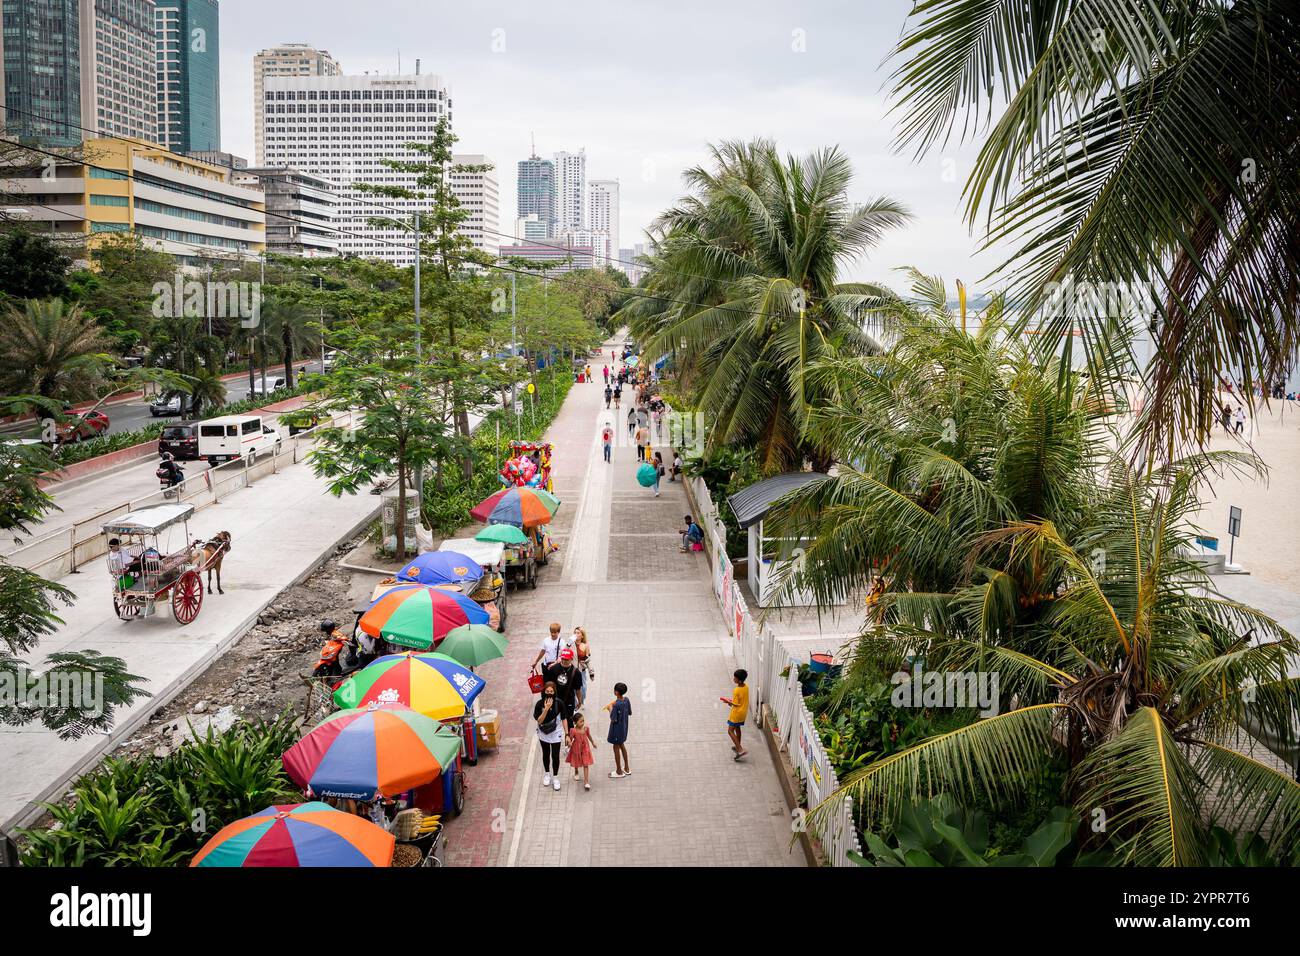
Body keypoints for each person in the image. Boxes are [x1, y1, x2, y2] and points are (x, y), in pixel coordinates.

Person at [534, 681, 572, 792]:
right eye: (547, 691)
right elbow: (539, 720)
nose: (549, 693)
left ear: (554, 692)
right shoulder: (539, 704)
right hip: (543, 732)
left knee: (555, 755)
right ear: (544, 692)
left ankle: (555, 777)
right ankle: (547, 774)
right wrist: (546, 709)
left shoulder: (559, 703)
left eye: (551, 691)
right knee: (546, 754)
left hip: (556, 732)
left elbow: (564, 718)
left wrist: (567, 734)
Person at [542, 647, 582, 716]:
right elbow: (547, 686)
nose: (564, 661)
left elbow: (578, 689)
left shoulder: (576, 672)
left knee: (568, 720)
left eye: (566, 659)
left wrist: (579, 700)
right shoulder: (553, 669)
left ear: (571, 659)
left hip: (569, 700)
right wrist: (545, 699)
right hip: (554, 700)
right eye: (563, 658)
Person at [605, 682, 632, 778]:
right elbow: (629, 712)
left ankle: (619, 771)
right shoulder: (626, 700)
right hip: (624, 728)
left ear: (616, 692)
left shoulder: (616, 705)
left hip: (616, 729)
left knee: (616, 747)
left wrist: (610, 708)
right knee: (622, 745)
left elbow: (613, 718)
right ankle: (627, 768)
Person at [722, 669, 750, 760]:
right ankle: (738, 746)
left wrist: (728, 702)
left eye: (735, 678)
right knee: (738, 729)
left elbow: (735, 704)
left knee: (730, 731)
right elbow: (740, 701)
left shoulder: (736, 690)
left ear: (740, 680)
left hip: (736, 714)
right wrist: (732, 701)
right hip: (743, 713)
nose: (733, 679)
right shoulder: (746, 687)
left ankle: (740, 749)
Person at [567, 713, 597, 790]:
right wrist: (569, 743)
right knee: (576, 761)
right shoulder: (573, 730)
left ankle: (586, 782)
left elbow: (589, 736)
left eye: (583, 721)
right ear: (575, 722)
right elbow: (570, 739)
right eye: (581, 721)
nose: (583, 723)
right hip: (576, 749)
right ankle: (576, 771)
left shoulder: (586, 729)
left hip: (585, 749)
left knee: (586, 764)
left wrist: (593, 742)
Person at [573, 626, 593, 706]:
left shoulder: (585, 646)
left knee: (583, 688)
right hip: (572, 669)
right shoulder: (571, 644)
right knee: (573, 688)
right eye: (574, 633)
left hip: (581, 670)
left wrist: (591, 671)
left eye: (578, 633)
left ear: (582, 635)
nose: (576, 634)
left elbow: (588, 660)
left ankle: (582, 700)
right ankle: (575, 703)